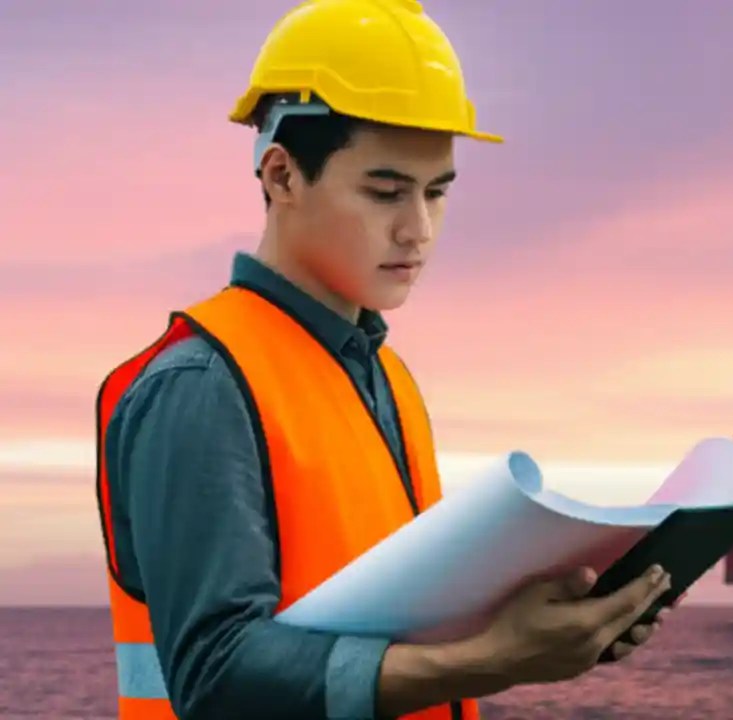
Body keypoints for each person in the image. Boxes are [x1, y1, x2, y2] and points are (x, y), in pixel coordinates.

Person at [93, 1, 672, 718]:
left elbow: (401, 630)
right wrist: (496, 659)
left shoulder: (386, 379)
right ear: (280, 175)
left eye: (436, 193)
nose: (418, 229)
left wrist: (564, 622)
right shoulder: (200, 385)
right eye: (385, 191)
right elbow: (216, 675)